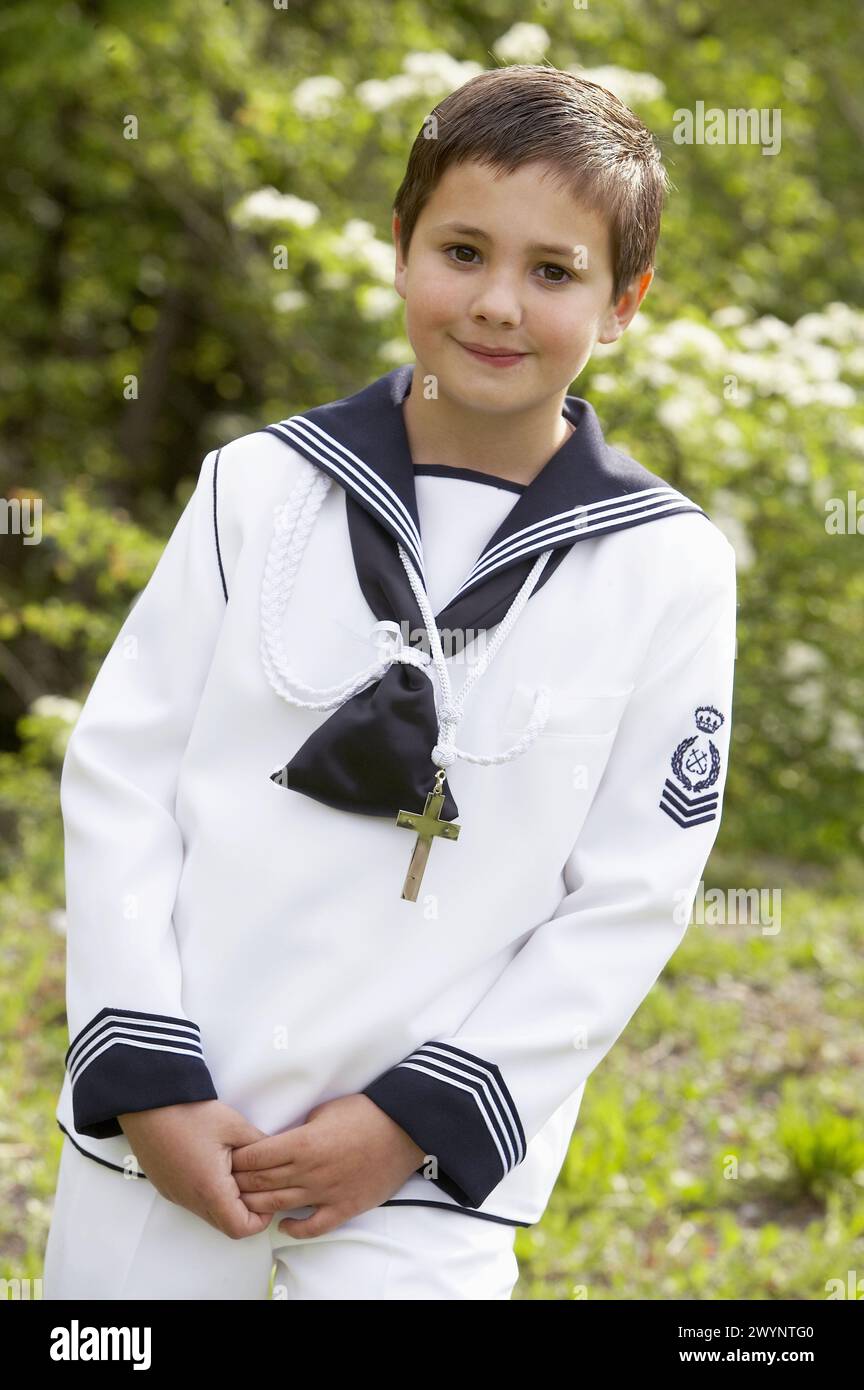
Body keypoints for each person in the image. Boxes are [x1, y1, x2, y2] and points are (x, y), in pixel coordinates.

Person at [43, 64, 737, 1301]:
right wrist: (147, 1073)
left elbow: (632, 893)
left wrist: (412, 1121)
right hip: (168, 1134)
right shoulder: (254, 488)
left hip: (422, 1180)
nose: (497, 305)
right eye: (461, 250)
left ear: (624, 303)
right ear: (401, 250)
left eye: (555, 272)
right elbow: (121, 779)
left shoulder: (666, 567)